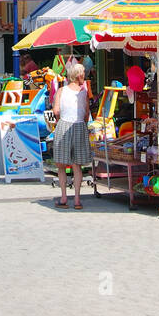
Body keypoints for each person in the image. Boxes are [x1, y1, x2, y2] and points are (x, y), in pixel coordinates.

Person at [53, 63, 93, 210]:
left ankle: (64, 197)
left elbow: (56, 111)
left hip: (64, 125)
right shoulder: (84, 92)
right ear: (78, 75)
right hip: (79, 126)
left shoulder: (61, 91)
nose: (84, 76)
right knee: (77, 165)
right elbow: (87, 112)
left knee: (61, 165)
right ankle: (77, 199)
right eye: (83, 73)